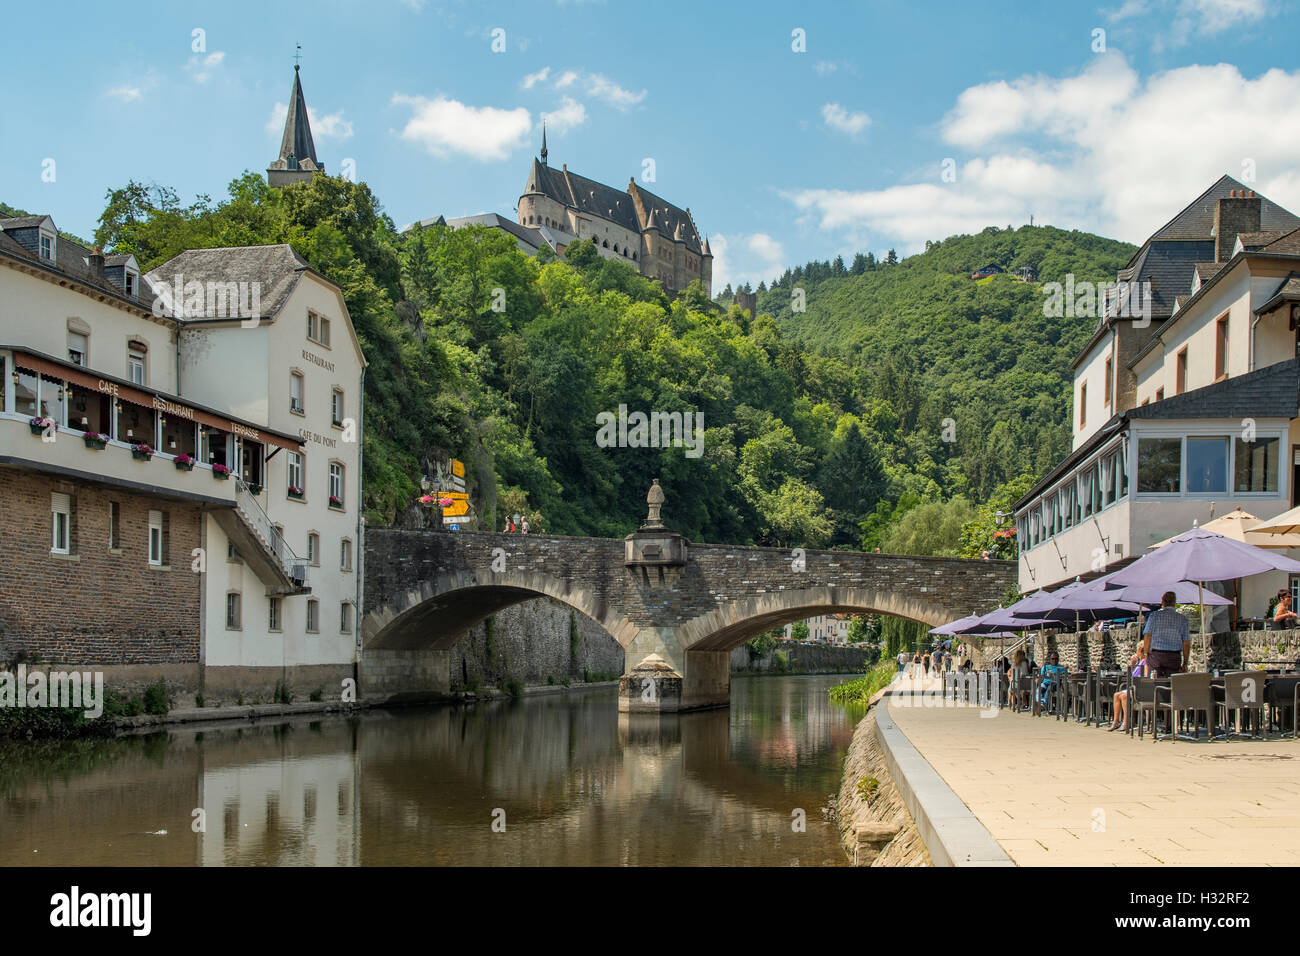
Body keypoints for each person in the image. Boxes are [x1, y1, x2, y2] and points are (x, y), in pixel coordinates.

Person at [1142, 591, 1191, 677]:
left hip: (1156, 656)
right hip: (1173, 657)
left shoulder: (1154, 616)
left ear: (1162, 602)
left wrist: (1146, 654)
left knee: (1154, 681)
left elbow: (1147, 636)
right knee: (1172, 684)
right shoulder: (1182, 619)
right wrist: (1185, 662)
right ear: (1175, 603)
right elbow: (1186, 642)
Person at [1109, 643, 1150, 732]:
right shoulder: (1139, 662)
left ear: (1141, 652)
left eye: (1137, 651)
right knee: (1116, 695)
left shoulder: (1146, 662)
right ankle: (1116, 721)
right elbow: (1132, 675)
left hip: (1140, 688)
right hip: (1133, 687)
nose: (1136, 653)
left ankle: (1126, 721)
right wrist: (1132, 664)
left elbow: (1146, 676)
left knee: (1124, 696)